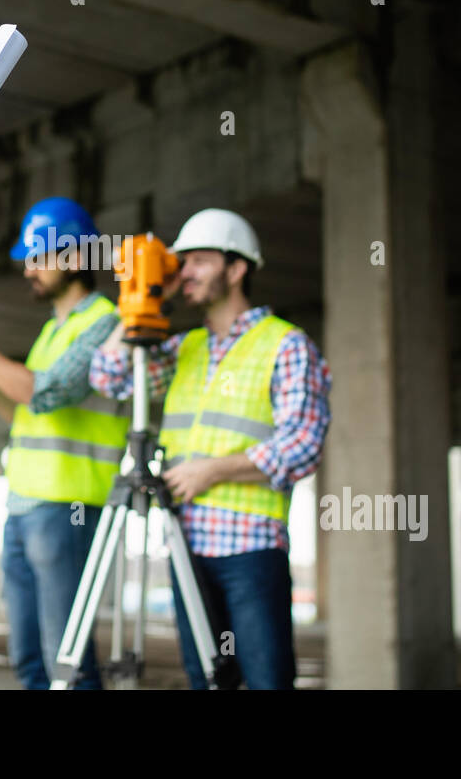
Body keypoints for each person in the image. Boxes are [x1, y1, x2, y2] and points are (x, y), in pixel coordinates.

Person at [90, 209, 331, 689]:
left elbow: (303, 444)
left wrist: (212, 471)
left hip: (250, 549)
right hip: (187, 546)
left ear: (237, 268)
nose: (185, 273)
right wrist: (137, 300)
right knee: (206, 682)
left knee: (266, 682)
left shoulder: (285, 345)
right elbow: (109, 376)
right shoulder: (185, 348)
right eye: (181, 262)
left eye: (198, 261)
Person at [0, 197, 128, 688]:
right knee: (30, 661)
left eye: (40, 258)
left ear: (76, 258)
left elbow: (40, 390)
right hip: (24, 508)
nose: (29, 270)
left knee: (66, 660)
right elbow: (18, 409)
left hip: (69, 508)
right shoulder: (51, 331)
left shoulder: (104, 322)